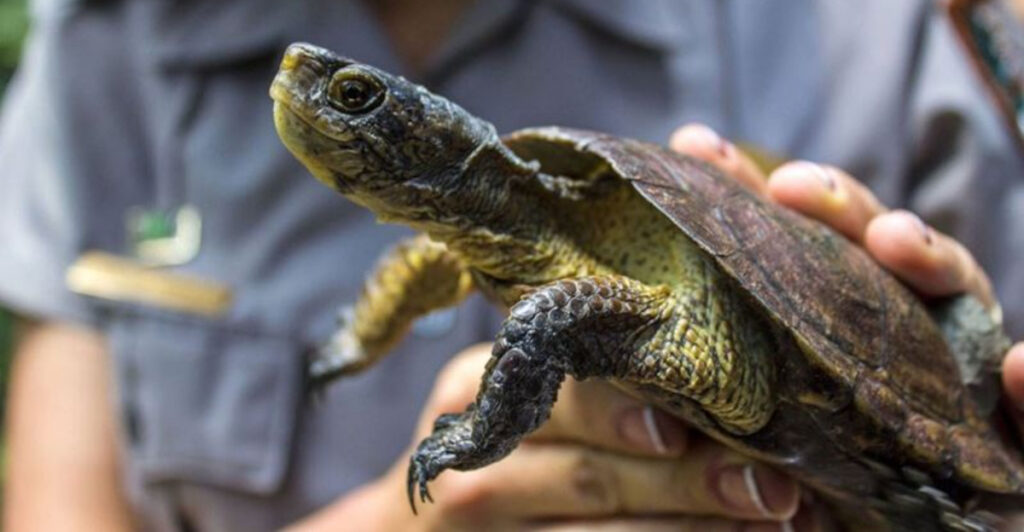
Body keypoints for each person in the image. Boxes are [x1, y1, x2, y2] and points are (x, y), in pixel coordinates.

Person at [1, 1, 1022, 531]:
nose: (303, 87)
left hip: (860, 428)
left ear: (436, 148)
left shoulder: (872, 33)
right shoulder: (106, 47)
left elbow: (556, 313)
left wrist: (971, 366)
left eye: (355, 99)